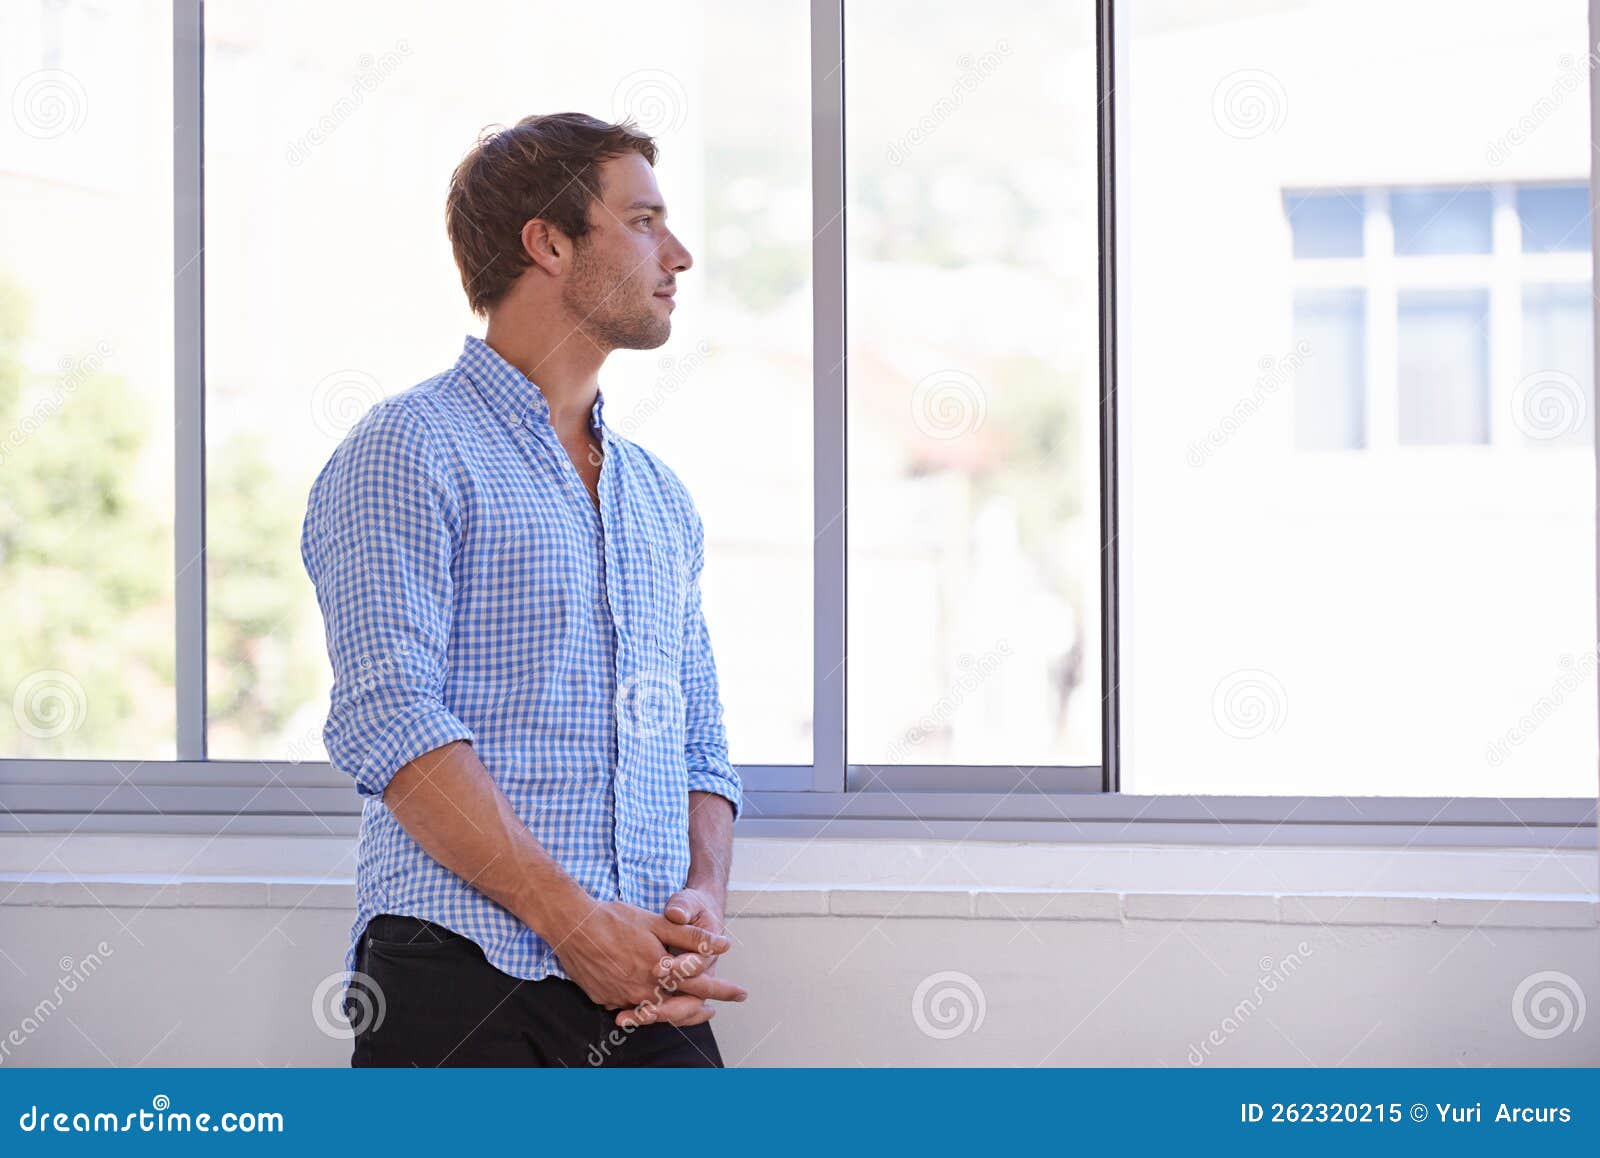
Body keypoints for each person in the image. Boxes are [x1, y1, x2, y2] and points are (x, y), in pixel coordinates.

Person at [299, 112, 747, 1067]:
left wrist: (699, 896)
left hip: (646, 985)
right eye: (642, 222)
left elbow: (700, 738)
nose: (679, 254)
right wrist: (576, 926)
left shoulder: (660, 498)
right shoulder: (408, 448)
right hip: (459, 978)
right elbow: (393, 719)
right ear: (546, 243)